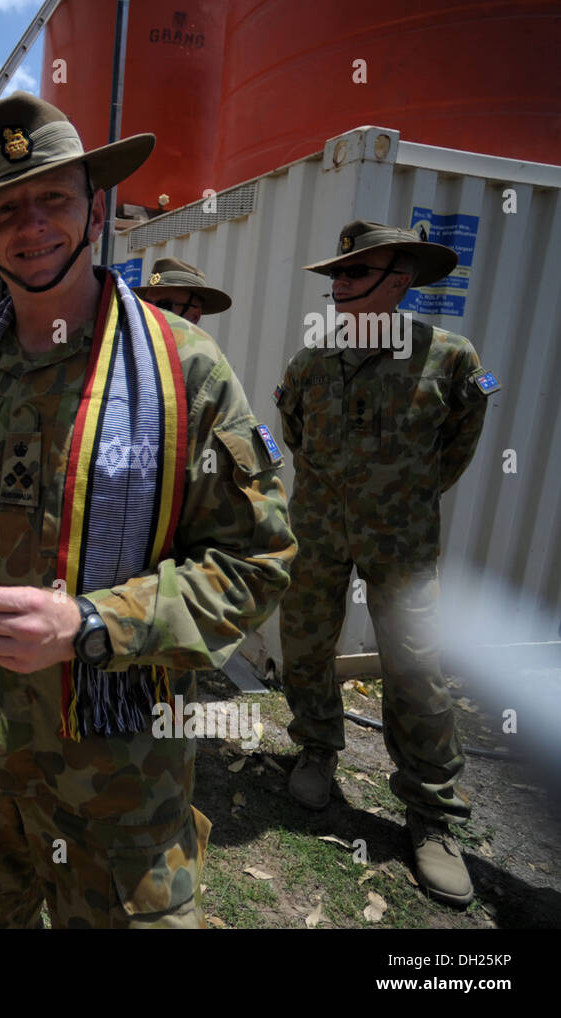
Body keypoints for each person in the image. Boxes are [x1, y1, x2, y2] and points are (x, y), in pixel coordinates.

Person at [0, 92, 297, 928]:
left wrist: (87, 624)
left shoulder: (183, 371)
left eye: (52, 199)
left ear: (95, 207)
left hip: (116, 790)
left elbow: (253, 565)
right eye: (6, 208)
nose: (30, 224)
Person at [276, 220, 499, 907]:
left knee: (417, 669)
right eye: (335, 276)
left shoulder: (451, 359)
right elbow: (293, 433)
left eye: (352, 274)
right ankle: (316, 751)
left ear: (398, 280)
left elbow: (458, 443)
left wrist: (402, 495)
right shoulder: (313, 361)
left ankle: (432, 817)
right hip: (316, 527)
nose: (337, 286)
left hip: (401, 540)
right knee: (307, 643)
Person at [132, 256, 232, 326]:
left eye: (164, 306)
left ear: (194, 316)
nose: (151, 313)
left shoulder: (203, 354)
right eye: (146, 305)